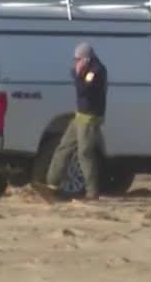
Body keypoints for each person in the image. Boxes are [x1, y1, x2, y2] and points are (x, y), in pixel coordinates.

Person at [34, 42, 108, 200]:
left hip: (89, 118)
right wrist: (77, 74)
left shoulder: (96, 71)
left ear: (86, 58)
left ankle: (92, 192)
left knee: (84, 153)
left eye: (78, 59)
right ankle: (51, 184)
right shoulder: (86, 70)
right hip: (80, 116)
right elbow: (77, 79)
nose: (76, 62)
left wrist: (78, 75)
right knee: (64, 148)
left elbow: (84, 90)